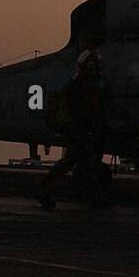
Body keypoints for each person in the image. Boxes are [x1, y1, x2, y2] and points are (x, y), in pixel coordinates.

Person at [35, 47, 109, 210]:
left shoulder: (76, 84)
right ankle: (46, 190)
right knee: (87, 163)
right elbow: (88, 113)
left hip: (78, 132)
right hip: (81, 132)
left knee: (77, 163)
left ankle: (47, 190)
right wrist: (88, 133)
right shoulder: (84, 87)